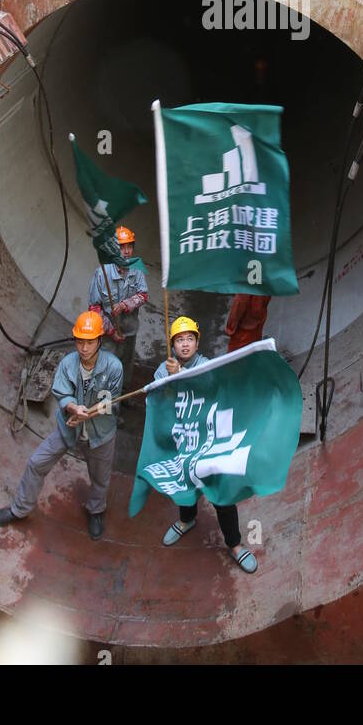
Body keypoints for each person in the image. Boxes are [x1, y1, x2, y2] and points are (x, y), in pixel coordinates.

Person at [0, 310, 122, 541]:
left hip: (100, 434)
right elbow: (62, 393)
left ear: (99, 340)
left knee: (100, 477)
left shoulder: (114, 367)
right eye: (80, 341)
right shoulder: (67, 363)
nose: (84, 348)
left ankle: (96, 511)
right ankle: (19, 509)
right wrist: (73, 409)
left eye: (89, 342)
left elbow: (110, 403)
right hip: (68, 428)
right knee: (36, 463)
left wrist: (86, 414)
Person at [154, 315, 257, 574]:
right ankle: (187, 520)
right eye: (179, 340)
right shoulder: (163, 368)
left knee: (222, 494)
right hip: (183, 440)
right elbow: (158, 400)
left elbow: (209, 389)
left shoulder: (207, 365)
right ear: (172, 345)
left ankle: (235, 544)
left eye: (189, 339)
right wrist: (166, 381)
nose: (185, 345)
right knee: (184, 486)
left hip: (209, 441)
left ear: (197, 343)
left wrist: (182, 375)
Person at [88, 225, 148, 389]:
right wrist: (112, 332)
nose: (126, 251)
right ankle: (105, 407)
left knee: (126, 365)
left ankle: (123, 395)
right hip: (109, 336)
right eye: (122, 247)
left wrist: (124, 305)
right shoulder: (102, 273)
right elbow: (94, 309)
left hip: (129, 331)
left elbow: (143, 295)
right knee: (107, 370)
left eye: (129, 246)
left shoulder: (136, 269)